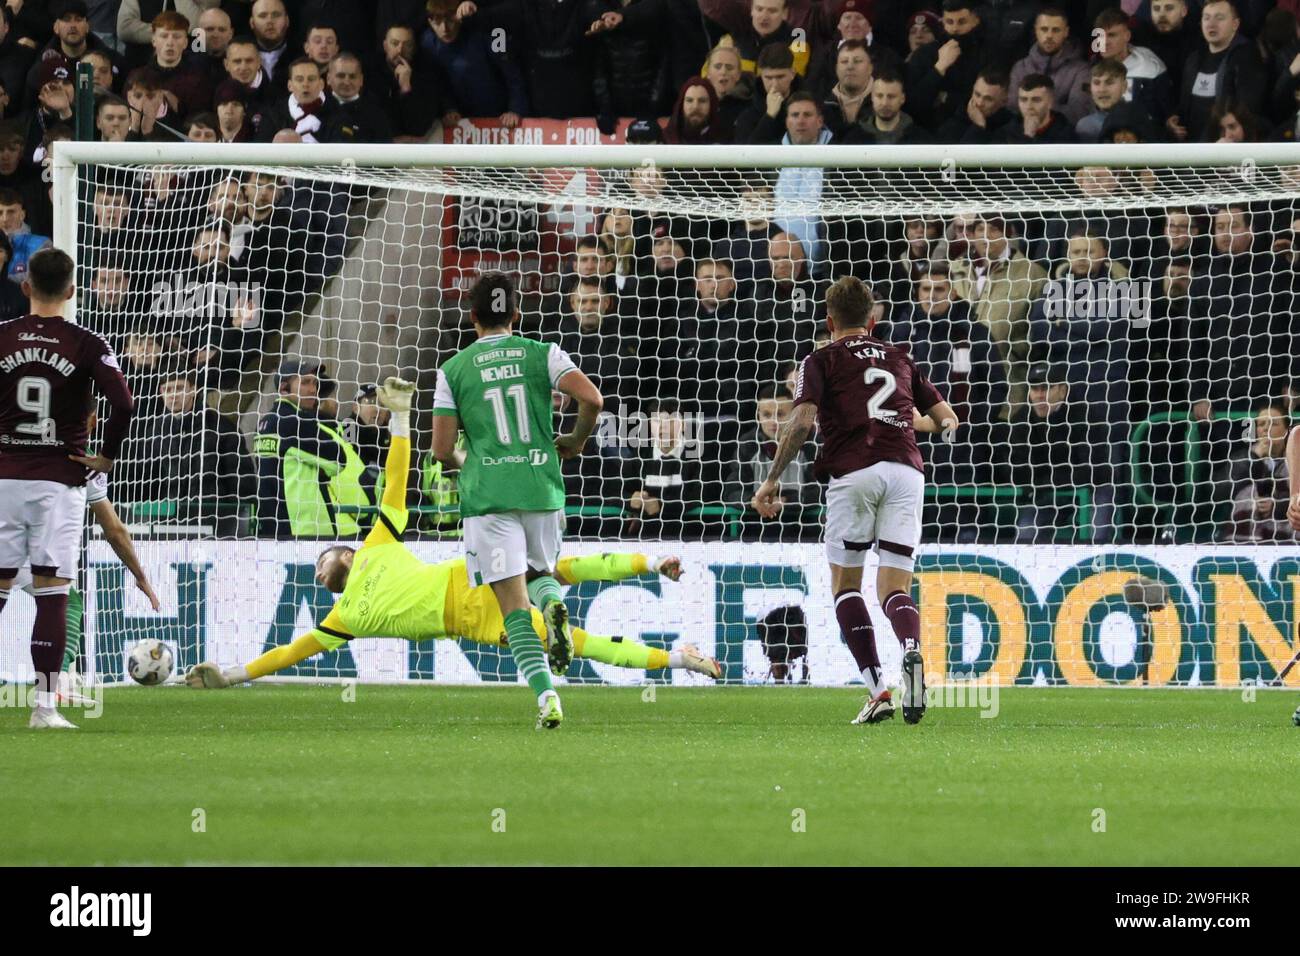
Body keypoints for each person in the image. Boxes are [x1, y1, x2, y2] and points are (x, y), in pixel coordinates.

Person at [751, 276, 958, 727]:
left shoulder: (819, 359)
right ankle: (912, 649)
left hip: (854, 470)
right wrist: (901, 420)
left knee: (846, 585)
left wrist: (771, 479)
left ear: (828, 321)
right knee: (894, 590)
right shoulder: (901, 357)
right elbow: (947, 420)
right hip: (907, 471)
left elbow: (802, 421)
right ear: (872, 318)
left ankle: (878, 690)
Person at [431, 272, 604, 729]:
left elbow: (442, 450)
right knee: (540, 574)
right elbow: (592, 398)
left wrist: (473, 460)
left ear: (472, 318)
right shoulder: (543, 353)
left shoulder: (453, 370)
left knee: (511, 609)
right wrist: (576, 441)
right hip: (540, 485)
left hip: (489, 494)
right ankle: (551, 602)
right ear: (516, 315)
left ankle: (547, 696)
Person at [0, 247, 135, 730]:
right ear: (73, 291)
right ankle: (44, 709)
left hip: (3, 477)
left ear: (25, 286)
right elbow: (122, 403)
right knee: (52, 592)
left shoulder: (2, 337)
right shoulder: (86, 343)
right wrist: (107, 457)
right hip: (58, 480)